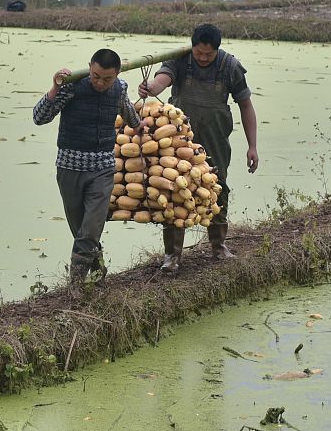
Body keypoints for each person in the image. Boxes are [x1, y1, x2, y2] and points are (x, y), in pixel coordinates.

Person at [139, 24, 258, 271]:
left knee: (218, 187)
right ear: (192, 46)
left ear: (217, 50)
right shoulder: (180, 60)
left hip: (216, 139)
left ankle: (218, 246)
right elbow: (162, 80)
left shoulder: (230, 67)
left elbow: (246, 105)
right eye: (198, 53)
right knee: (174, 190)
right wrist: (151, 88)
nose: (202, 58)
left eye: (208, 54)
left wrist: (252, 146)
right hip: (178, 139)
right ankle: (172, 255)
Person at [33, 48, 142, 284]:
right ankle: (98, 268)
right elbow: (39, 118)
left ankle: (75, 284)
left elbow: (131, 117)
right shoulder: (71, 86)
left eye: (107, 79)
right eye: (96, 76)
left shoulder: (119, 89)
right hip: (69, 166)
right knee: (79, 227)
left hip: (102, 167)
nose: (100, 83)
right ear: (90, 67)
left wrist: (140, 123)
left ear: (117, 74)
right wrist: (55, 87)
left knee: (92, 225)